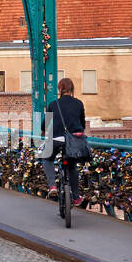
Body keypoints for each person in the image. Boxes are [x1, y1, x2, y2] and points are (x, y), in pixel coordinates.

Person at [43, 76, 86, 205]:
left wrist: (43, 131)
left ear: (60, 89)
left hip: (57, 140)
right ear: (72, 89)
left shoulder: (53, 104)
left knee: (47, 157)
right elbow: (82, 124)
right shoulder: (79, 103)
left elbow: (46, 124)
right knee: (72, 166)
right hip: (74, 140)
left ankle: (52, 186)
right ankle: (76, 197)